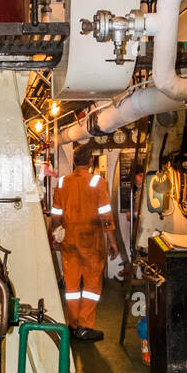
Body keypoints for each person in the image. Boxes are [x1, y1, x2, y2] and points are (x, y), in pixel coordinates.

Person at [50, 144, 118, 341]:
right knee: (91, 286)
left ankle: (71, 325)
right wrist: (112, 242)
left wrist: (55, 236)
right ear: (90, 162)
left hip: (69, 242)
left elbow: (56, 215)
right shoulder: (97, 181)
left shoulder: (63, 182)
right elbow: (105, 216)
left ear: (73, 161)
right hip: (91, 242)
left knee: (70, 286)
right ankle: (85, 326)